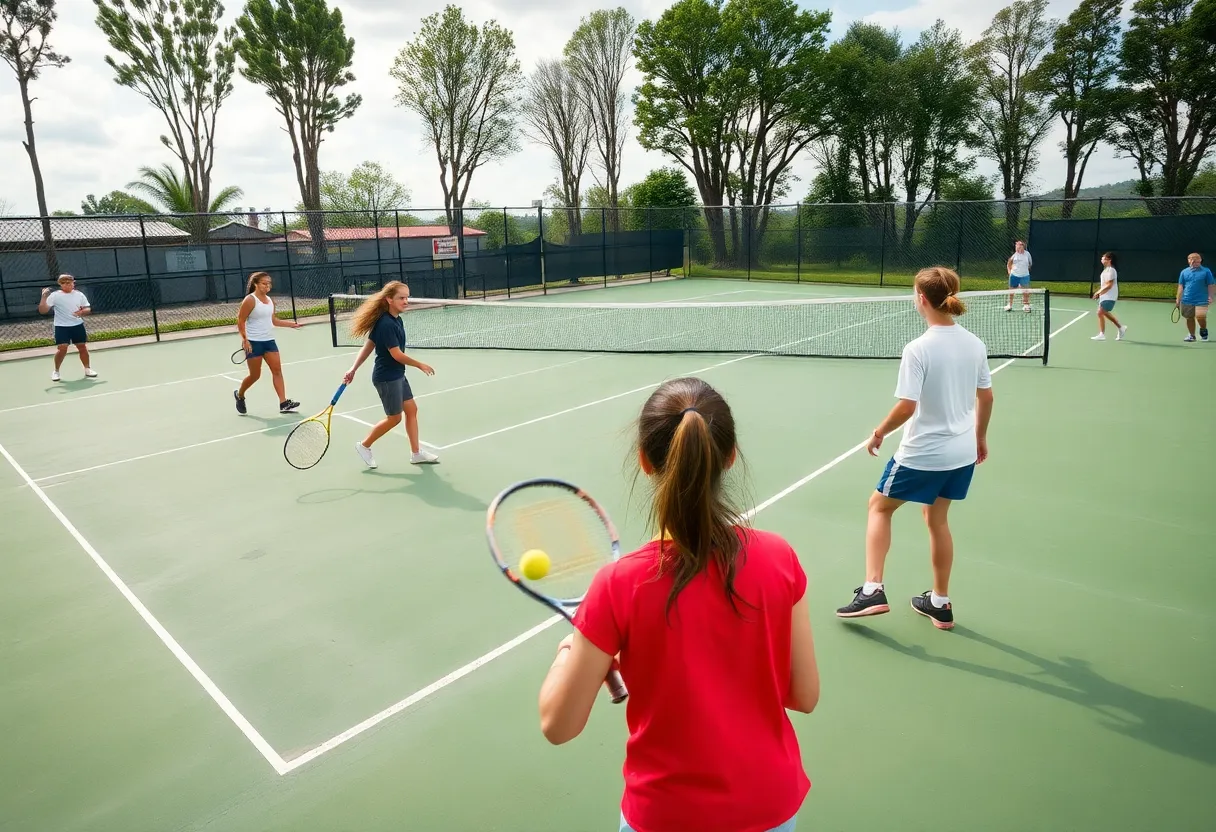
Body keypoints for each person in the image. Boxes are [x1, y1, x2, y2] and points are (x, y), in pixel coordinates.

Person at [538, 377, 820, 832]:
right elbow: (804, 696)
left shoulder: (618, 584)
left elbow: (558, 725)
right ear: (729, 457)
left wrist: (567, 653)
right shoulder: (780, 557)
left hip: (666, 815)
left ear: (644, 461)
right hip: (770, 805)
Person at [836, 266, 994, 631]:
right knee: (936, 519)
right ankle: (940, 602)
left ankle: (872, 590)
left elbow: (907, 406)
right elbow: (986, 397)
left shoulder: (918, 349)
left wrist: (878, 432)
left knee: (879, 507)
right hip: (961, 454)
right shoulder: (974, 343)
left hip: (924, 453)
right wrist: (980, 438)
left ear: (921, 299)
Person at [342, 281, 439, 467]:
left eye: (407, 297)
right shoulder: (386, 324)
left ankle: (416, 453)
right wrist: (419, 364)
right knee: (394, 418)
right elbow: (396, 354)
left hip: (397, 374)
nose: (406, 301)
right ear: (389, 299)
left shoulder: (395, 319)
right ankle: (364, 445)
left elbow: (369, 345)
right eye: (401, 298)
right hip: (387, 378)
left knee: (411, 410)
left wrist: (353, 369)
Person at [233, 271, 302, 415]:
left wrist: (291, 324)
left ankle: (283, 403)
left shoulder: (270, 301)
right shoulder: (250, 300)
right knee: (255, 376)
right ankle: (240, 394)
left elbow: (273, 321)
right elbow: (241, 321)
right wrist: (245, 340)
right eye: (264, 283)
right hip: (254, 343)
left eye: (269, 283)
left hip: (269, 341)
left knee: (277, 371)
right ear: (255, 284)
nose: (267, 286)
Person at [38, 274, 97, 382]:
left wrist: (82, 312)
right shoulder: (55, 296)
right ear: (60, 284)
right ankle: (56, 371)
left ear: (73, 283)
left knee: (82, 347)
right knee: (62, 349)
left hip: (77, 325)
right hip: (61, 326)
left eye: (69, 282)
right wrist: (44, 297)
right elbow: (43, 310)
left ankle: (87, 369)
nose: (67, 285)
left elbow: (87, 308)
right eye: (64, 283)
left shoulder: (79, 295)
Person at [1176, 252, 1214, 342]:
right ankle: (1192, 336)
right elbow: (1181, 286)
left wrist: (1211, 296)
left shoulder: (1206, 271)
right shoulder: (1184, 272)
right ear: (1188, 260)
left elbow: (1211, 285)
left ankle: (1203, 330)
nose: (1194, 260)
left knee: (1200, 316)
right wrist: (1178, 298)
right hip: (1187, 299)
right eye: (1191, 259)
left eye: (1196, 258)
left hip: (1202, 299)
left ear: (1200, 260)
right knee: (1189, 318)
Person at [1091, 252, 1127, 341]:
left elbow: (1109, 285)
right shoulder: (1105, 270)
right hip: (1104, 296)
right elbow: (1105, 285)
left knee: (1100, 312)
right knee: (1103, 313)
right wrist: (1099, 294)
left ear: (1109, 260)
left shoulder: (1111, 270)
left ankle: (1102, 334)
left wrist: (1098, 292)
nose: (1101, 259)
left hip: (1110, 296)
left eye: (1103, 258)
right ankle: (1121, 327)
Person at [1005, 240, 1033, 312]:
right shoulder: (1014, 255)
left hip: (1025, 275)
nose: (1017, 247)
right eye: (1016, 246)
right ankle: (1009, 305)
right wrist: (1009, 272)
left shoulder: (1027, 254)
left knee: (1025, 291)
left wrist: (1024, 272)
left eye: (1019, 246)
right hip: (1014, 275)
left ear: (1023, 246)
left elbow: (1030, 264)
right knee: (1011, 291)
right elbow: (1009, 264)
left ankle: (1026, 305)